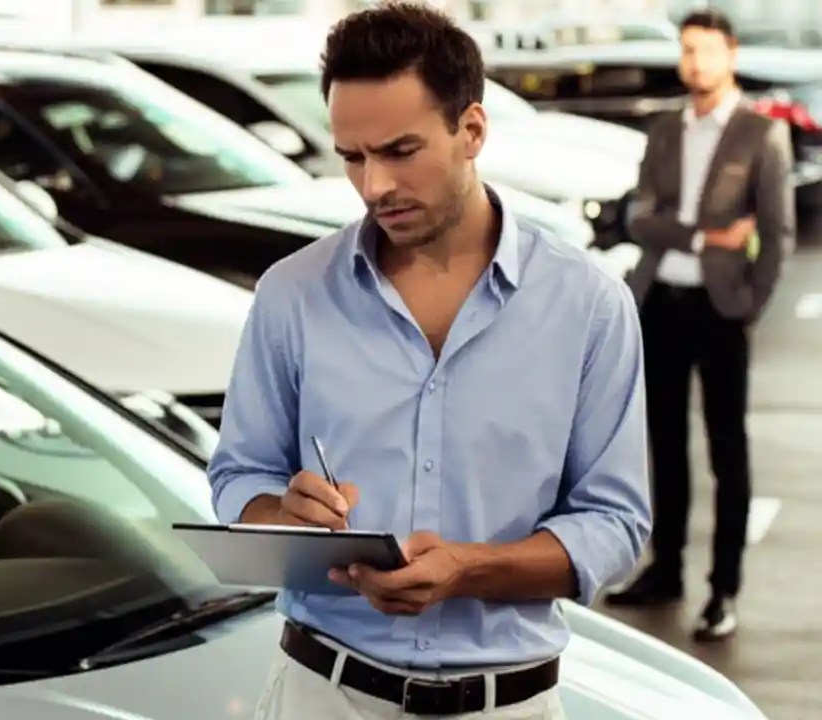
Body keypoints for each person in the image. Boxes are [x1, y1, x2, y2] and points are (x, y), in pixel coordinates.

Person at [206, 3, 652, 718]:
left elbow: (614, 523)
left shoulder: (588, 305)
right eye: (353, 157)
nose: (374, 185)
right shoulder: (291, 294)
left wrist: (467, 570)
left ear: (472, 129)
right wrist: (282, 515)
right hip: (324, 695)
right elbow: (239, 475)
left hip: (510, 704)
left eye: (399, 151)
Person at [606, 10, 794, 642]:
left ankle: (723, 589)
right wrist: (704, 234)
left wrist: (748, 305)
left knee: (726, 449)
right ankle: (667, 571)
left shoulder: (758, 134)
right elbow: (639, 218)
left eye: (706, 52)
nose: (695, 63)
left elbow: (777, 234)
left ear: (730, 55)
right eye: (688, 51)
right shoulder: (665, 130)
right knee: (663, 447)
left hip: (720, 310)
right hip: (660, 301)